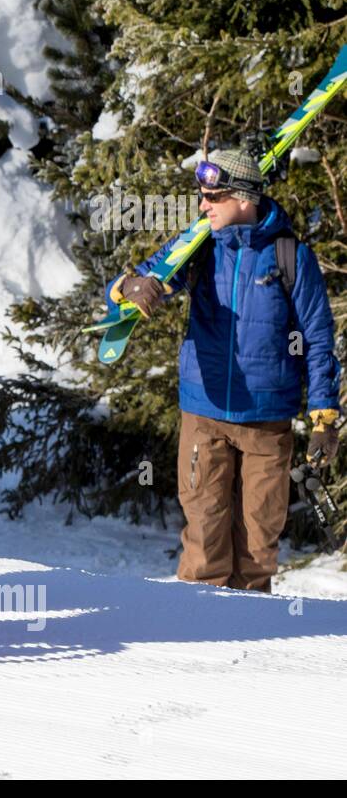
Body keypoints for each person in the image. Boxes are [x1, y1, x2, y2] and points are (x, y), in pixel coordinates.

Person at [108, 147, 341, 592]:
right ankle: (196, 641)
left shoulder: (291, 256)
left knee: (257, 546)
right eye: (202, 195)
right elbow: (129, 286)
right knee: (204, 541)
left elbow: (318, 339)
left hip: (267, 420)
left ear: (245, 199)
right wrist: (130, 286)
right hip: (205, 412)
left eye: (213, 197)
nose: (202, 205)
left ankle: (248, 646)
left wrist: (324, 415)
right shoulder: (196, 249)